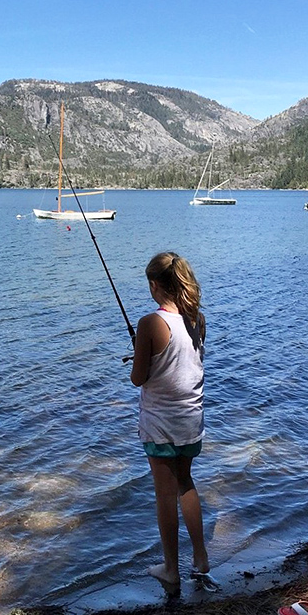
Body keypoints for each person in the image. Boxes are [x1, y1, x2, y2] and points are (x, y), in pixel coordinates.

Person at [130, 251, 211, 595]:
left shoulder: (151, 323)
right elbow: (179, 362)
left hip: (161, 422)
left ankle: (171, 569)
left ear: (154, 285)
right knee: (185, 483)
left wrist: (139, 351)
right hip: (191, 417)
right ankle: (201, 557)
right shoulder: (197, 319)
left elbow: (138, 378)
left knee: (164, 495)